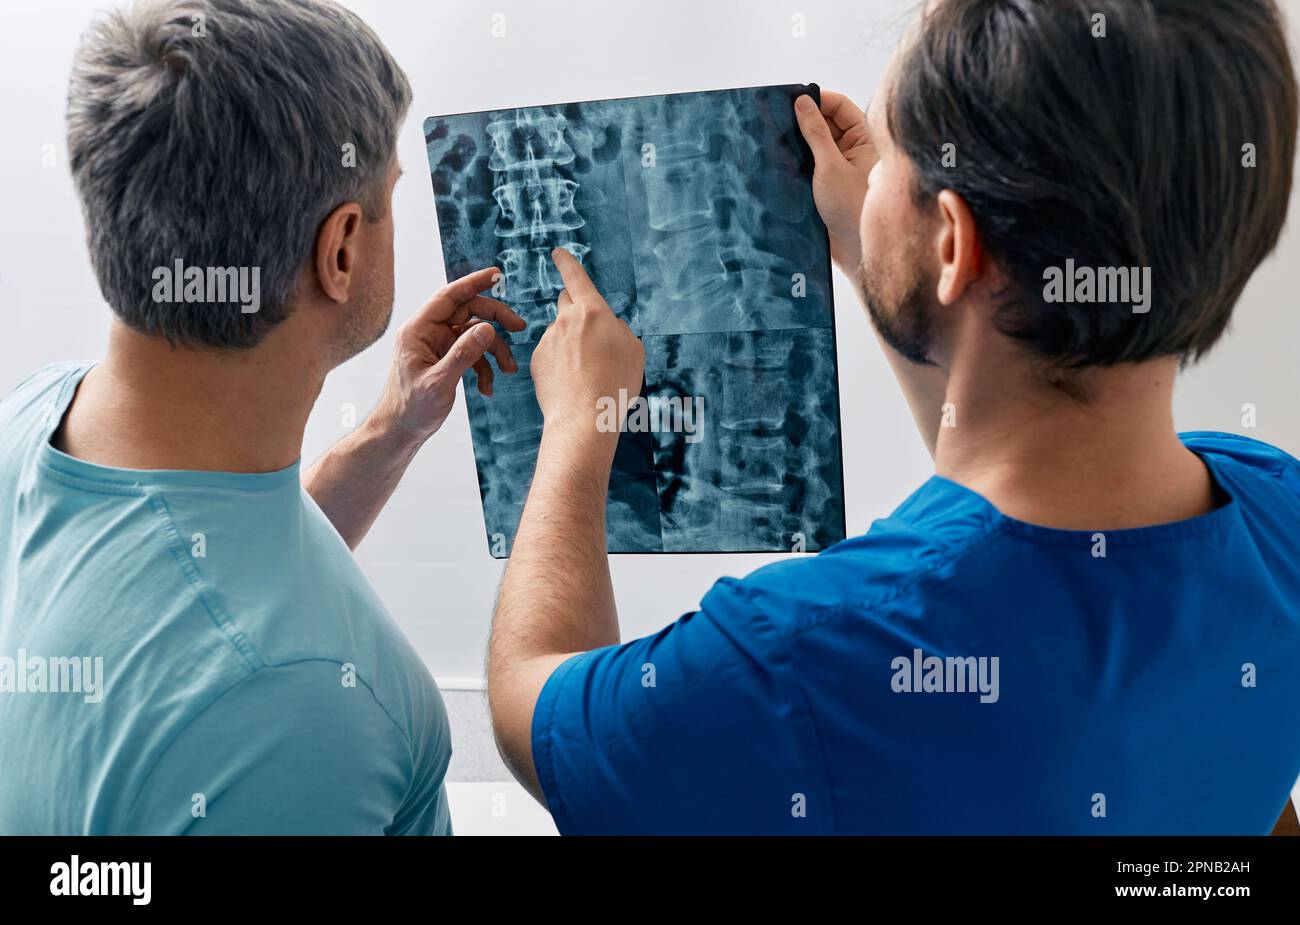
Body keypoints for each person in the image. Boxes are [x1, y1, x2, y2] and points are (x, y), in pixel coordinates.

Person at [486, 0, 1300, 834]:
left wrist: (579, 428)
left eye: (892, 170)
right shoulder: (1280, 513)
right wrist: (882, 253)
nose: (870, 185)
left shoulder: (794, 656)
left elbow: (527, 702)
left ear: (954, 244)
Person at [0, 0, 520, 834]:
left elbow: (200, 567)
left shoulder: (34, 419)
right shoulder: (303, 706)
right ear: (341, 249)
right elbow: (240, 642)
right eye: (390, 193)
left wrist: (391, 431)